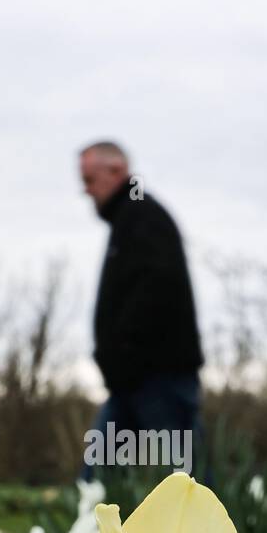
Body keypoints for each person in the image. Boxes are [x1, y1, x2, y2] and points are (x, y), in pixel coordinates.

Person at [79, 141, 206, 481]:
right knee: (95, 486)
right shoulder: (129, 219)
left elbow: (158, 290)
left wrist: (120, 353)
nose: (85, 190)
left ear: (117, 171)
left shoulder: (144, 215)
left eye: (90, 179)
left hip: (160, 379)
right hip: (131, 381)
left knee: (186, 487)